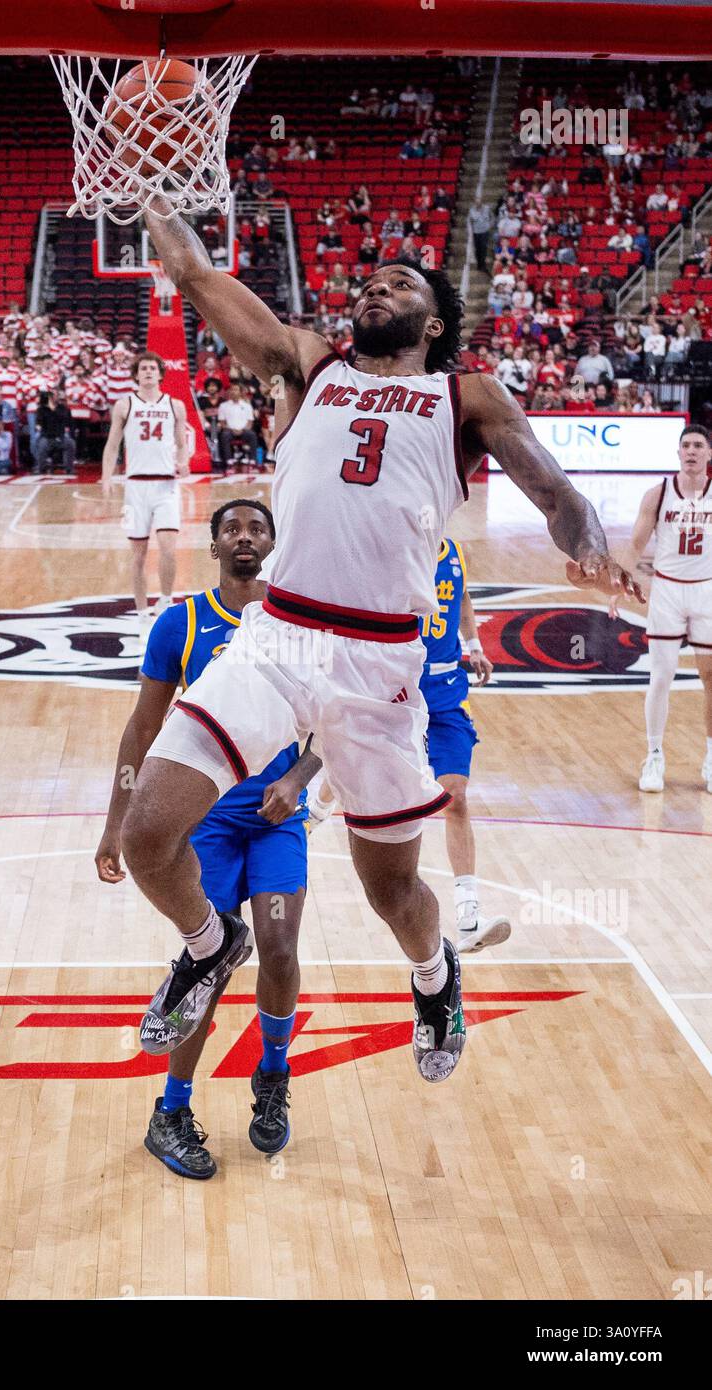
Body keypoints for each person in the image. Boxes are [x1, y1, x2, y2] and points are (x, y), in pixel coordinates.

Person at [117, 200, 640, 1094]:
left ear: (431, 321)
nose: (374, 289)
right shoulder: (311, 362)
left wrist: (587, 541)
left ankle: (435, 978)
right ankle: (210, 946)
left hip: (379, 661)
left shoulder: (464, 395)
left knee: (391, 891)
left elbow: (556, 490)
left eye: (396, 283)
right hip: (278, 636)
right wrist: (152, 200)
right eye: (367, 281)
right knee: (146, 833)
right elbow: (200, 279)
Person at [96, 501, 320, 1177]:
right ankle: (171, 1110)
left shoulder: (297, 627)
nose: (246, 536)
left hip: (281, 818)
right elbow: (142, 730)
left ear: (273, 546)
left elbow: (334, 725)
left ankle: (272, 1079)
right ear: (215, 545)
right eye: (233, 529)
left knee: (279, 949)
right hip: (212, 824)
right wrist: (117, 821)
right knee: (210, 969)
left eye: (258, 528)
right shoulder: (181, 624)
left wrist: (301, 778)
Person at [309, 538, 512, 955]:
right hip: (400, 686)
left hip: (447, 691)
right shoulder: (391, 551)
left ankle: (469, 914)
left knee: (455, 797)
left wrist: (473, 645)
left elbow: (463, 598)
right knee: (353, 761)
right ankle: (312, 813)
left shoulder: (453, 551)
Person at [611, 426, 712, 794]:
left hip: (707, 591)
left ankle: (711, 757)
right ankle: (654, 755)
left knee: (711, 678)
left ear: (709, 454)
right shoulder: (658, 494)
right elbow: (636, 544)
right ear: (678, 452)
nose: (691, 451)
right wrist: (618, 584)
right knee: (661, 675)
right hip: (668, 591)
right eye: (685, 445)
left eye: (698, 445)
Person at [101, 351, 189, 636]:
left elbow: (181, 443)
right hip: (135, 488)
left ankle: (165, 600)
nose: (149, 372)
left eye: (153, 367)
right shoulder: (124, 404)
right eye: (144, 368)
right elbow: (113, 445)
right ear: (136, 374)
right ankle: (140, 611)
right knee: (137, 555)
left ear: (161, 373)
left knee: (168, 547)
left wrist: (184, 460)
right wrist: (106, 477)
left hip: (166, 486)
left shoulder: (175, 405)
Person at [217, 383, 258, 470]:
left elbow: (250, 422)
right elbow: (222, 422)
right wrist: (232, 429)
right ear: (228, 392)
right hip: (230, 430)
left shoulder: (247, 406)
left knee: (252, 434)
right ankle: (229, 460)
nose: (233, 392)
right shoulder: (223, 406)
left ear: (240, 392)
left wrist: (243, 429)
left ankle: (252, 460)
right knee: (224, 435)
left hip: (244, 430)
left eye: (236, 389)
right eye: (231, 390)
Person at [33, 388, 75, 473]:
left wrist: (53, 409)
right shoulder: (41, 409)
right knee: (40, 444)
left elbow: (62, 418)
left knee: (70, 443)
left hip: (60, 436)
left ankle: (69, 468)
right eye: (51, 395)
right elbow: (38, 423)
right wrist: (38, 427)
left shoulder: (63, 408)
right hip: (47, 437)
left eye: (55, 395)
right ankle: (41, 467)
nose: (53, 397)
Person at [467, 200, 494, 273]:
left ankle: (483, 265)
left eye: (479, 203)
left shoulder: (487, 209)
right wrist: (470, 231)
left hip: (485, 231)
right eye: (476, 203)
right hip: (476, 232)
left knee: (483, 248)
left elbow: (492, 217)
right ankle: (479, 264)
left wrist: (490, 226)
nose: (478, 204)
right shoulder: (472, 210)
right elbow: (469, 221)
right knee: (477, 249)